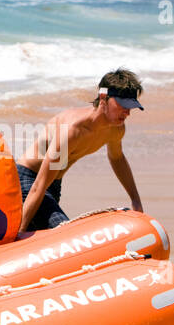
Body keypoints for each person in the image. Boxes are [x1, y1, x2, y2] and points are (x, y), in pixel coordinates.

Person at [15, 68, 144, 232]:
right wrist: (18, 234)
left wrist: (136, 200)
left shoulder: (115, 129)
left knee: (43, 236)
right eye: (122, 105)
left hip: (53, 184)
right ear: (104, 97)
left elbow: (117, 158)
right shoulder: (73, 131)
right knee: (64, 233)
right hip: (29, 180)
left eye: (131, 107)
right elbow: (38, 186)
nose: (127, 112)